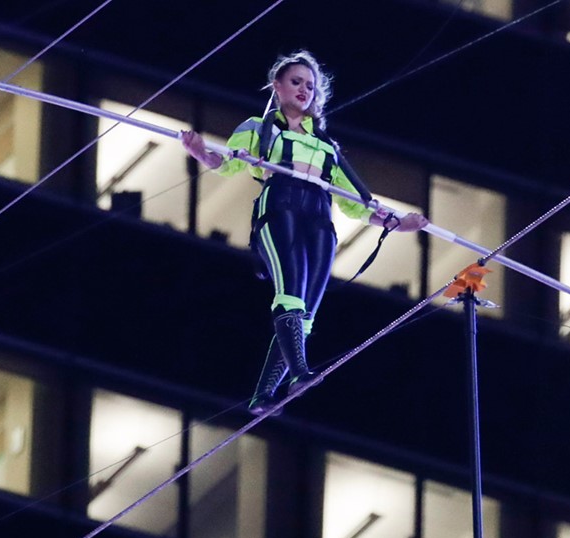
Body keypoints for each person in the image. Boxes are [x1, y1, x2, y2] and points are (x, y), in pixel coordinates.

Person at [181, 50, 427, 415]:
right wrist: (200, 152)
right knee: (291, 293)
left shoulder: (327, 146)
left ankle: (264, 395)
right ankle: (298, 372)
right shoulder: (259, 128)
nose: (304, 90)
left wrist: (397, 223)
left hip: (319, 224)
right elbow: (227, 164)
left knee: (306, 315)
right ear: (277, 87)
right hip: (279, 209)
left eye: (310, 86)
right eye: (296, 82)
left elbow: (360, 203)